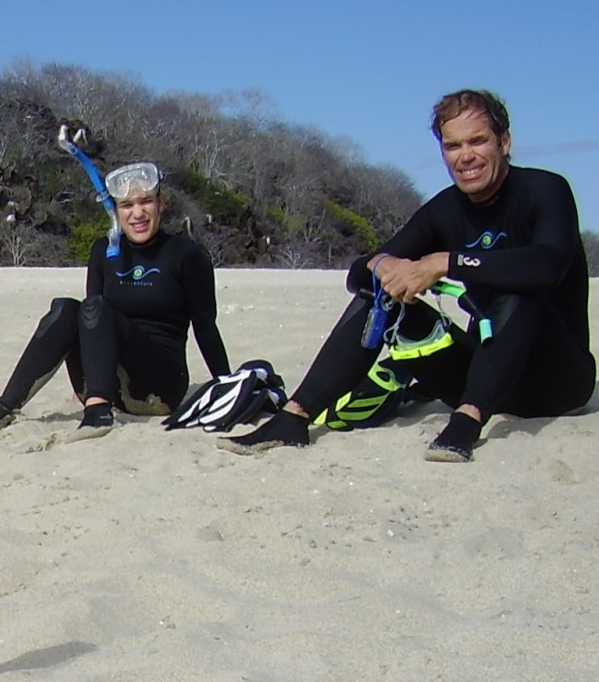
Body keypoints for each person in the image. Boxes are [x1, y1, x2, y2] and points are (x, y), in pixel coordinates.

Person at [222, 89, 594, 463]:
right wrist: (383, 265)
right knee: (382, 291)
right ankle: (294, 418)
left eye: (477, 141)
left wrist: (446, 263)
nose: (465, 156)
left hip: (558, 383)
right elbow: (358, 274)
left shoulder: (545, 189)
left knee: (516, 290)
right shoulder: (445, 209)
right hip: (483, 376)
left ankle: (465, 425)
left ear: (505, 142)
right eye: (453, 146)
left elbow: (547, 265)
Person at [0, 161, 231, 440]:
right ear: (115, 210)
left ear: (161, 204)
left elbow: (206, 328)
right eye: (127, 205)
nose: (137, 213)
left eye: (146, 201)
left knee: (95, 306)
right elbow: (91, 323)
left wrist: (227, 384)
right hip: (111, 383)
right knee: (66, 309)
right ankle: (3, 409)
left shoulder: (187, 255)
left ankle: (98, 411)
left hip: (160, 388)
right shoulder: (104, 251)